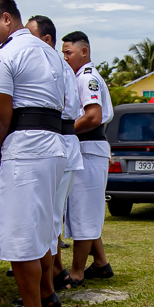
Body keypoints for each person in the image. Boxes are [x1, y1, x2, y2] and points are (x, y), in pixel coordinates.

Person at [0, 0, 67, 307]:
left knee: (20, 231)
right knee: (42, 228)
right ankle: (47, 294)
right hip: (53, 145)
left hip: (26, 147)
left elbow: (0, 116)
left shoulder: (6, 54)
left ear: (7, 19)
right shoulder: (51, 53)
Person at [20, 14, 82, 307]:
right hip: (57, 143)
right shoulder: (51, 65)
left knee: (47, 225)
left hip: (56, 141)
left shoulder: (54, 67)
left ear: (46, 41)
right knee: (47, 224)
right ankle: (48, 286)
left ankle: (46, 291)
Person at [61, 31, 115, 284]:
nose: (65, 57)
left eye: (68, 52)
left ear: (84, 51)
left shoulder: (87, 78)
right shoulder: (78, 77)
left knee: (83, 213)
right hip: (86, 148)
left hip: (89, 148)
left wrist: (62, 131)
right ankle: (101, 263)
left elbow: (93, 116)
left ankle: (76, 273)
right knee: (85, 210)